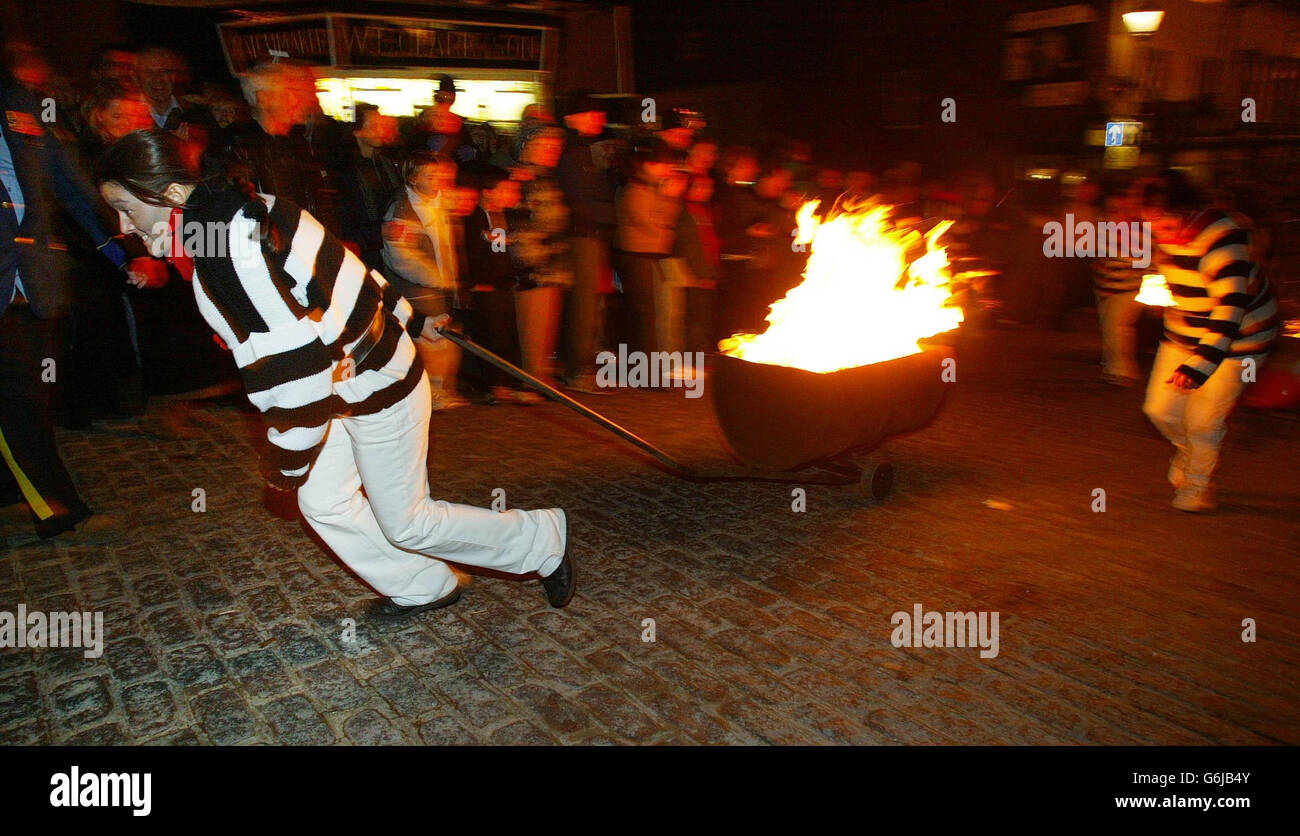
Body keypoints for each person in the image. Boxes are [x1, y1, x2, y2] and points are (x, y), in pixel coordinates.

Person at [95, 130, 575, 614]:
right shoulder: (253, 204)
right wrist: (416, 318)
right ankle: (423, 585)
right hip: (342, 388)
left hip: (376, 385)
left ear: (173, 196)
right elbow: (345, 273)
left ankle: (540, 540)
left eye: (127, 208)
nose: (122, 223)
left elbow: (296, 377)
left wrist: (285, 465)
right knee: (324, 502)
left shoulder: (228, 256)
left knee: (407, 521)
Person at [0, 71, 132, 543]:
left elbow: (71, 185)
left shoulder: (22, 104)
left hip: (28, 279)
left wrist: (121, 253)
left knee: (27, 394)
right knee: (17, 394)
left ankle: (18, 497)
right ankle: (56, 509)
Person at [1137, 171, 1280, 512]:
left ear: (1188, 211)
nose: (1158, 232)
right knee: (1159, 409)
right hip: (1185, 332)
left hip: (1240, 341)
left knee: (1203, 421)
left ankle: (1198, 486)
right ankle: (1189, 452)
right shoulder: (1165, 232)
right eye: (1150, 223)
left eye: (1164, 222)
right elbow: (1171, 275)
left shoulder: (1224, 239)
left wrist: (1200, 365)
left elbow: (1230, 311)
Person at [382, 151, 467, 410]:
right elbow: (401, 256)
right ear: (414, 178)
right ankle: (432, 392)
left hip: (443, 285)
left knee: (448, 337)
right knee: (431, 340)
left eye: (440, 175)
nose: (438, 181)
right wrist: (436, 277)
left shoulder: (442, 204)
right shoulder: (401, 210)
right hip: (417, 287)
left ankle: (441, 388)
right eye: (431, 176)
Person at [556, 92, 616, 393]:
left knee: (592, 304)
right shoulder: (572, 154)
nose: (600, 120)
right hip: (582, 236)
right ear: (573, 118)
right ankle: (578, 369)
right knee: (583, 304)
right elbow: (580, 200)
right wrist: (617, 215)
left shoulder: (590, 152)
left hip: (593, 234)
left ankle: (583, 365)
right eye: (593, 114)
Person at [340, 103, 402, 272]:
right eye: (374, 126)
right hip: (366, 256)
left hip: (388, 250)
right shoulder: (346, 171)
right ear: (357, 131)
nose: (381, 131)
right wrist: (377, 233)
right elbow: (345, 223)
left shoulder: (386, 164)